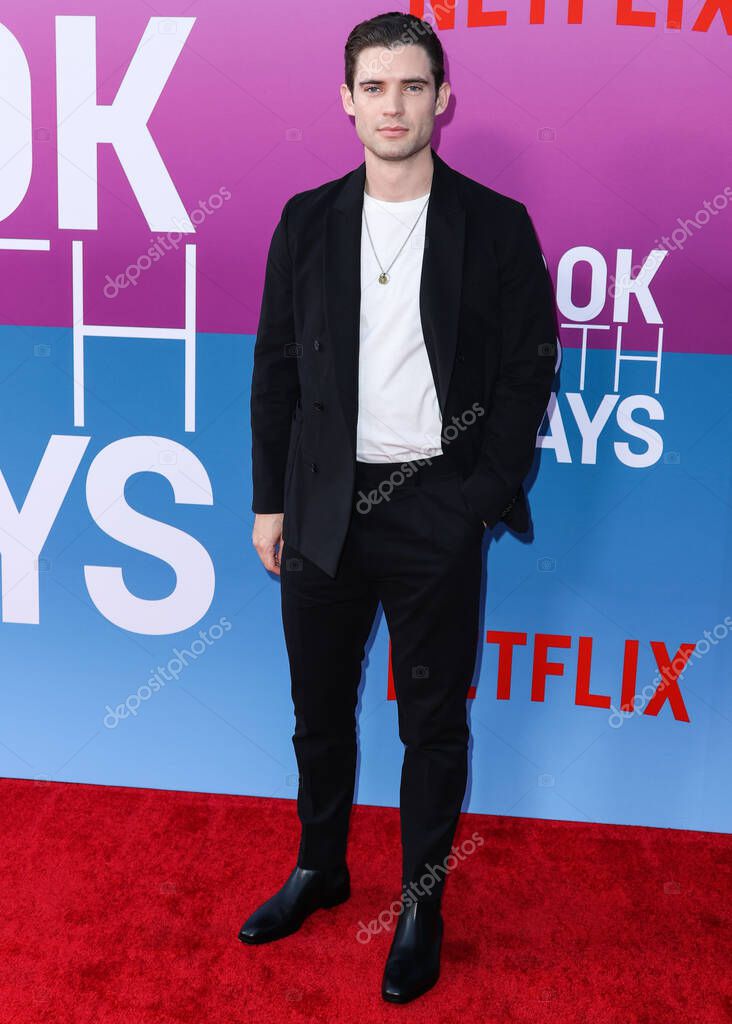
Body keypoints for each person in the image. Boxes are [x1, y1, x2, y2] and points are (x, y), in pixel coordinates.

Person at [238, 10, 558, 1004]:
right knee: (318, 709)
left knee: (432, 721)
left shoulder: (495, 223)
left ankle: (421, 902)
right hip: (323, 506)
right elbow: (276, 369)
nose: (393, 105)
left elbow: (528, 367)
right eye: (374, 86)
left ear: (442, 97)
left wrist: (473, 496)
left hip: (435, 506)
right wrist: (267, 503)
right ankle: (321, 867)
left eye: (412, 86)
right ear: (346, 99)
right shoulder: (307, 219)